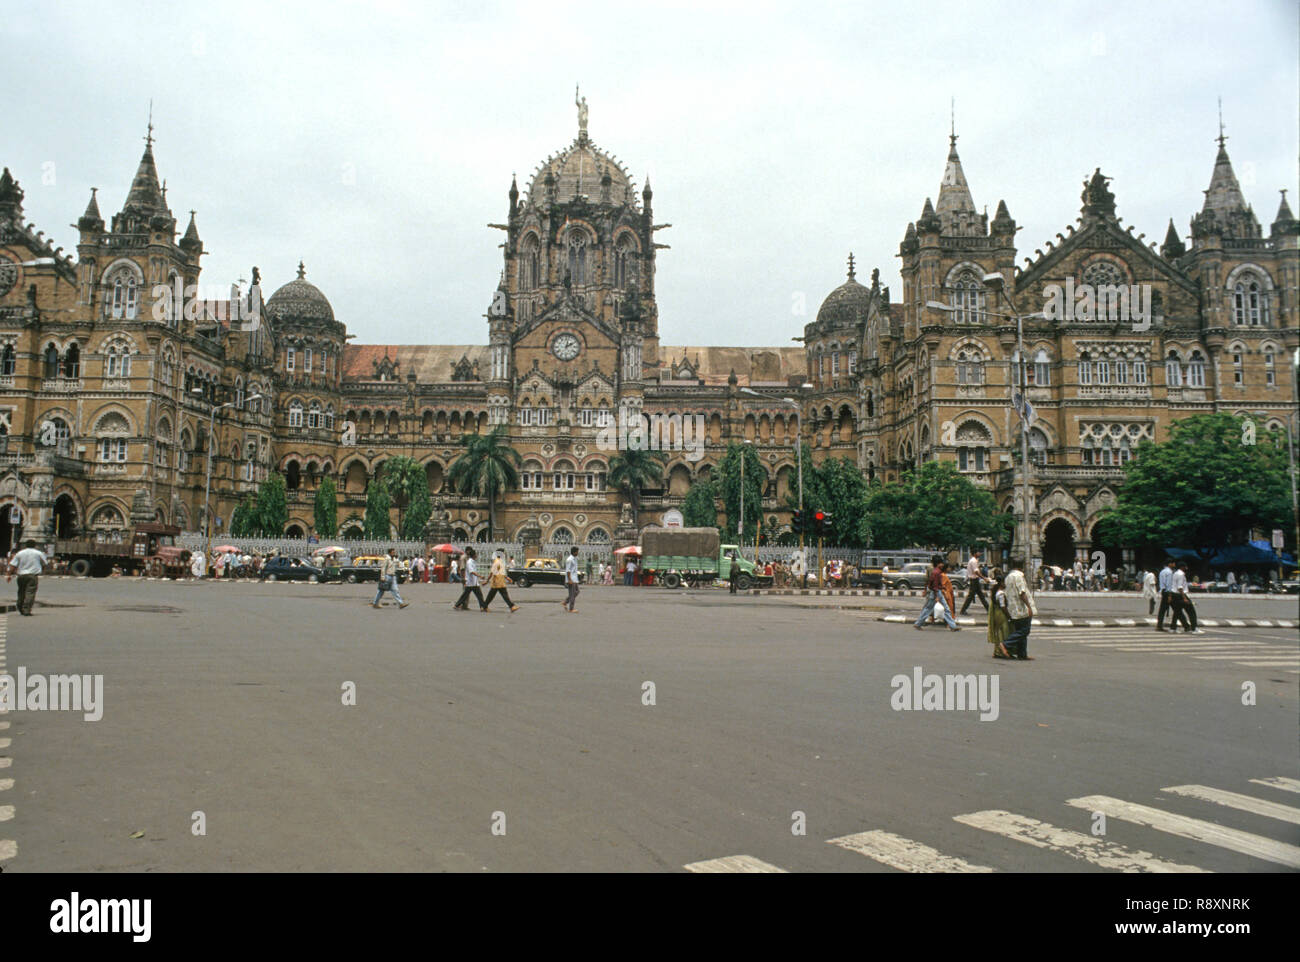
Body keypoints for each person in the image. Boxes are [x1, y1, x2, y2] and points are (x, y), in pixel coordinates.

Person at [1003, 560, 1037, 660]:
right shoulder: (1018, 576)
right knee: (1025, 630)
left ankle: (1022, 654)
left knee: (1020, 630)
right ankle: (1006, 644)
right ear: (1021, 567)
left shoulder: (1008, 577)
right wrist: (1029, 607)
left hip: (1013, 608)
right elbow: (1022, 593)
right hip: (1021, 608)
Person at [914, 555, 960, 631]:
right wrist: (937, 596)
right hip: (936, 592)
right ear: (938, 564)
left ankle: (918, 623)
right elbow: (935, 586)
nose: (943, 565)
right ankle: (953, 626)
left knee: (928, 609)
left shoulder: (936, 571)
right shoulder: (937, 572)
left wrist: (941, 587)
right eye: (941, 563)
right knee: (945, 609)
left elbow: (930, 583)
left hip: (935, 592)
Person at [7, 539, 48, 616]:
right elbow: (45, 563)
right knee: (30, 593)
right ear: (35, 545)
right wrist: (42, 571)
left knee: (21, 592)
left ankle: (19, 606)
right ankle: (26, 609)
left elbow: (13, 565)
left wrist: (9, 575)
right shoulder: (38, 553)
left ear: (25, 545)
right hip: (32, 576)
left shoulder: (20, 553)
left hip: (21, 576)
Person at [988, 569, 1012, 659]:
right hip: (1001, 614)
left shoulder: (995, 592)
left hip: (996, 614)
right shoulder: (1001, 593)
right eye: (1004, 582)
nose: (1006, 584)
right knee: (1003, 632)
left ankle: (997, 651)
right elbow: (1003, 606)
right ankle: (1002, 651)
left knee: (998, 633)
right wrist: (1009, 616)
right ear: (1001, 583)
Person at [453, 547, 486, 611]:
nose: (477, 556)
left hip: (473, 582)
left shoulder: (471, 561)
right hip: (470, 581)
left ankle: (457, 605)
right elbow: (469, 571)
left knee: (467, 594)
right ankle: (482, 607)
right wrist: (480, 576)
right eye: (476, 554)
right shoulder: (468, 561)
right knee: (475, 595)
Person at [1172, 562, 1196, 632]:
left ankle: (1173, 628)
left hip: (1175, 595)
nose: (1186, 568)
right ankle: (1194, 628)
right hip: (1181, 595)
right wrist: (1184, 598)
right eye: (1185, 566)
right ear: (1182, 567)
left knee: (1177, 612)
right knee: (1191, 611)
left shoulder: (1175, 573)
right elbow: (1180, 587)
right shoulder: (1181, 574)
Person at [1155, 559, 1177, 630]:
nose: (1174, 565)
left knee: (1162, 610)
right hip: (1168, 592)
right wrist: (1170, 595)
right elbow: (1169, 585)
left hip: (1163, 591)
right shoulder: (1169, 572)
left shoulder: (1162, 571)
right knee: (1177, 609)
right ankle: (1174, 626)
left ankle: (1159, 625)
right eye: (1173, 563)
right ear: (1169, 564)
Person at [563, 545, 581, 613]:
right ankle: (571, 608)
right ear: (574, 552)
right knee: (572, 593)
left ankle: (565, 602)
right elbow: (568, 570)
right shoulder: (569, 560)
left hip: (574, 579)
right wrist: (569, 580)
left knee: (577, 591)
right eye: (577, 552)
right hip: (571, 579)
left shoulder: (574, 558)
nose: (578, 553)